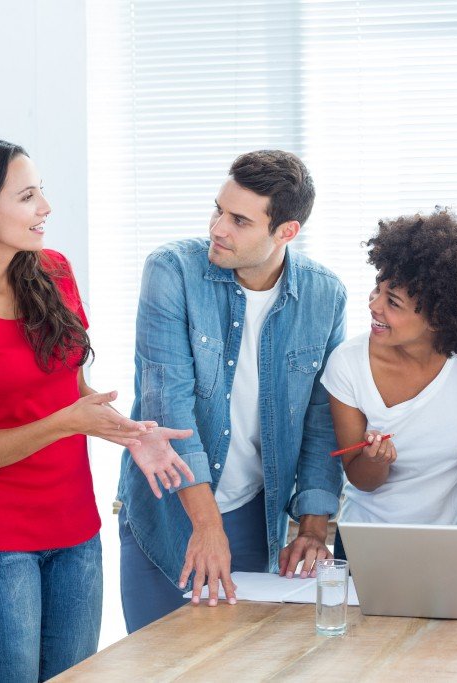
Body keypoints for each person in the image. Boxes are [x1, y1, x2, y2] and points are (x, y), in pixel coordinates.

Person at [0, 139, 192, 682]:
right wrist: (65, 423)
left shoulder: (53, 273)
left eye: (43, 193)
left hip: (76, 532)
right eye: (29, 196)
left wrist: (129, 433)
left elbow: (72, 389)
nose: (46, 209)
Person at [116, 150, 347, 633]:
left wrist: (312, 528)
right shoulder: (171, 271)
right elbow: (166, 410)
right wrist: (205, 526)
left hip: (251, 514)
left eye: (239, 220)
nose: (218, 228)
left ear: (286, 232)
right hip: (168, 511)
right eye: (218, 210)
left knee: (237, 663)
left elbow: (322, 423)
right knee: (154, 664)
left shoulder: (325, 295)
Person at [321, 209, 457, 559]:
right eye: (377, 289)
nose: (373, 306)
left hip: (450, 544)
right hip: (368, 543)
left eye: (393, 302)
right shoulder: (347, 364)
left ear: (438, 316)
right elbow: (361, 479)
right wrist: (375, 462)